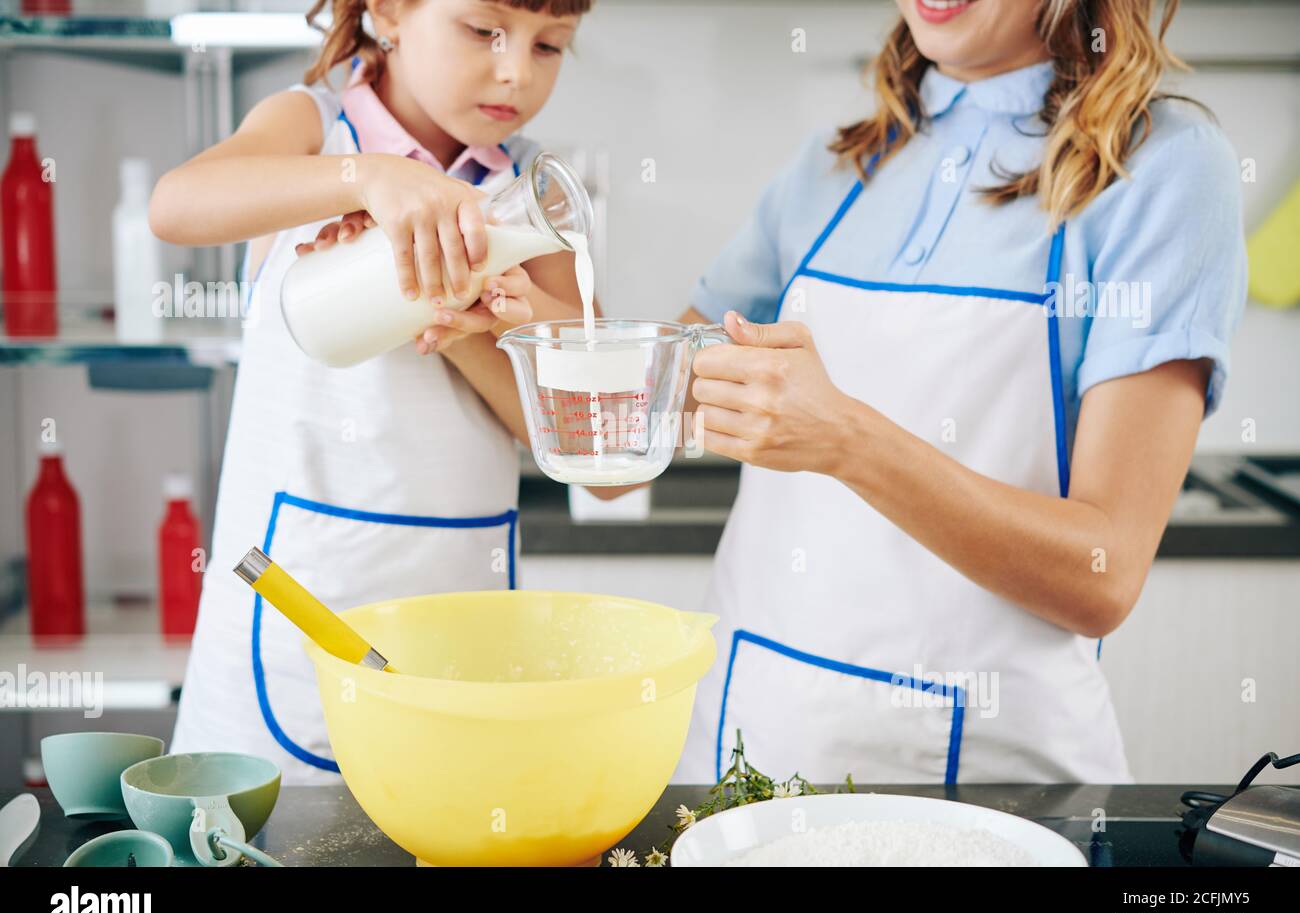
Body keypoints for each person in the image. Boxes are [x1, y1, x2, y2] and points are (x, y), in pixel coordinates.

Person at [671, 0, 1247, 784]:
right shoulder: (834, 165)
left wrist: (847, 440)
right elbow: (645, 417)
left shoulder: (1162, 167)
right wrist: (504, 291)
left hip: (983, 784)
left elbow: (1103, 576)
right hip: (747, 752)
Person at [150, 0, 592, 784]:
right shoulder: (314, 129)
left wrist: (474, 324)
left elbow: (576, 440)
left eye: (550, 45)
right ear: (388, 11)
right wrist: (368, 178)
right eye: (484, 30)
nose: (516, 71)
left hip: (456, 620)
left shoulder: (533, 193)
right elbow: (177, 204)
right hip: (291, 621)